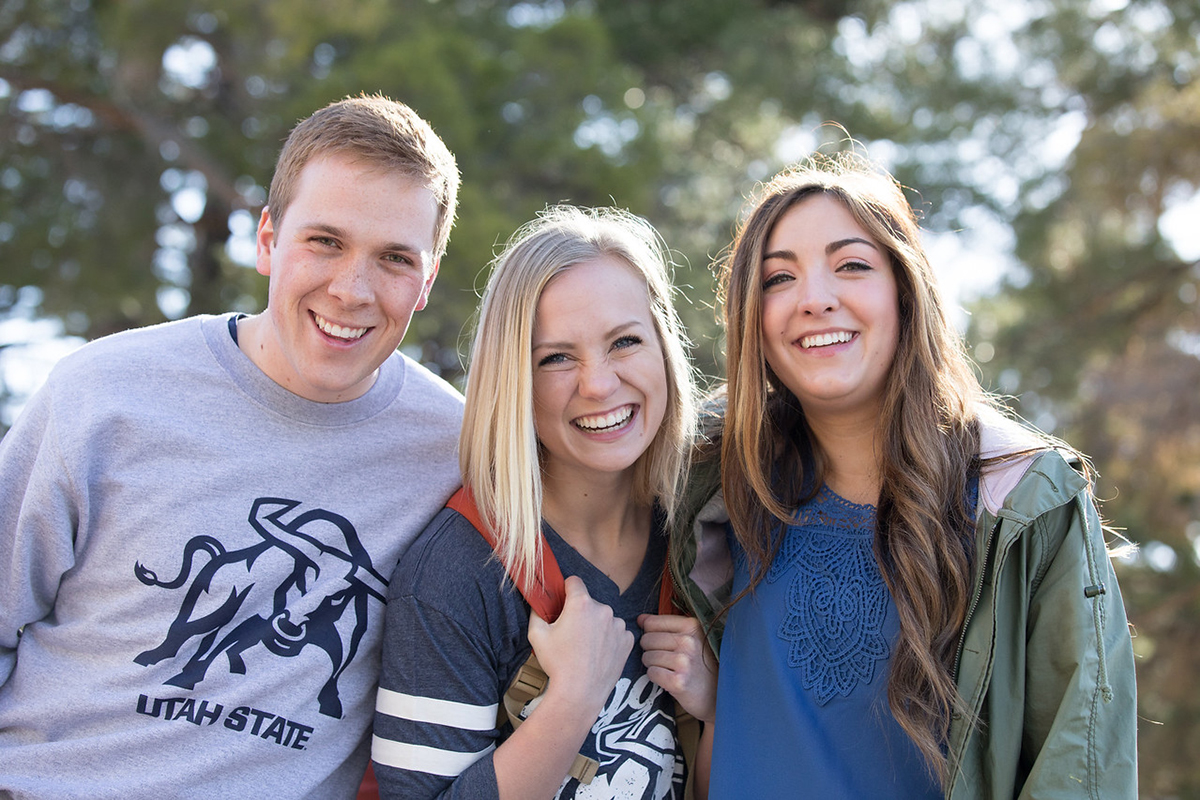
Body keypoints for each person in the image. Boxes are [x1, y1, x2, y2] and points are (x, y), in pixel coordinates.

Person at [0, 94, 464, 799]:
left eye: (395, 258)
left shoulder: (455, 450)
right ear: (268, 241)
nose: (352, 289)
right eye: (325, 241)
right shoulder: (103, 393)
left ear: (426, 281)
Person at [665, 152, 1138, 798]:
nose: (814, 300)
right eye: (778, 279)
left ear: (905, 291)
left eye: (851, 266)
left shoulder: (1023, 505)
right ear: (752, 317)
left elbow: (1079, 773)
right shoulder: (715, 485)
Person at [370, 205, 716, 799]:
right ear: (515, 381)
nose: (599, 384)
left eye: (625, 342)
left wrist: (717, 710)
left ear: (663, 346)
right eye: (556, 357)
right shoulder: (456, 574)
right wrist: (573, 700)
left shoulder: (703, 538)